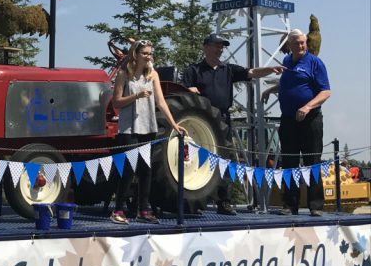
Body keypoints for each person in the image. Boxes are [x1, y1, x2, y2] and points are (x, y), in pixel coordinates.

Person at [182, 33, 284, 215]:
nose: (220, 49)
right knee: (197, 160)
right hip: (200, 123)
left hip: (222, 121)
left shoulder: (228, 69)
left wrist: (271, 69)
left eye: (222, 46)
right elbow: (182, 90)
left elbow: (251, 72)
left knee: (226, 160)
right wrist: (189, 90)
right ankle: (194, 202)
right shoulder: (194, 70)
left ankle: (224, 202)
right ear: (206, 47)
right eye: (217, 45)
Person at [110, 39, 187, 225]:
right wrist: (136, 95)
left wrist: (174, 125)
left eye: (150, 53)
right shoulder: (123, 75)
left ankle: (144, 209)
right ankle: (118, 209)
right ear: (135, 55)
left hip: (148, 126)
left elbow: (161, 102)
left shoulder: (153, 75)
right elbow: (116, 102)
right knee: (128, 170)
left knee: (146, 170)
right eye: (145, 53)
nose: (148, 56)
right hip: (129, 128)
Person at [277, 28, 331, 217]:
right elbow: (291, 84)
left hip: (310, 120)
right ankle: (290, 204)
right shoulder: (286, 62)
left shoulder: (315, 63)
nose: (300, 46)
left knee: (312, 162)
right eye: (296, 43)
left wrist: (307, 107)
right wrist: (270, 91)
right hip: (289, 119)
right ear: (289, 45)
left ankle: (315, 206)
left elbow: (326, 91)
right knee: (289, 162)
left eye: (303, 42)